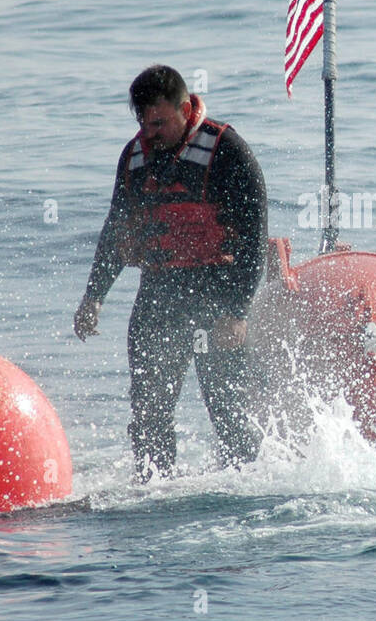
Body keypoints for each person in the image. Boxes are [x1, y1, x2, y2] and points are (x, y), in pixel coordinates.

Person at [73, 64, 268, 482]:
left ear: (185, 109)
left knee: (230, 412)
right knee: (148, 413)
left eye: (160, 122)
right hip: (159, 297)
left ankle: (245, 487)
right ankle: (153, 489)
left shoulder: (227, 151)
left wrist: (237, 312)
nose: (151, 132)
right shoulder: (135, 157)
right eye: (144, 123)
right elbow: (116, 232)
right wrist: (94, 297)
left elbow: (255, 237)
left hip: (217, 297)